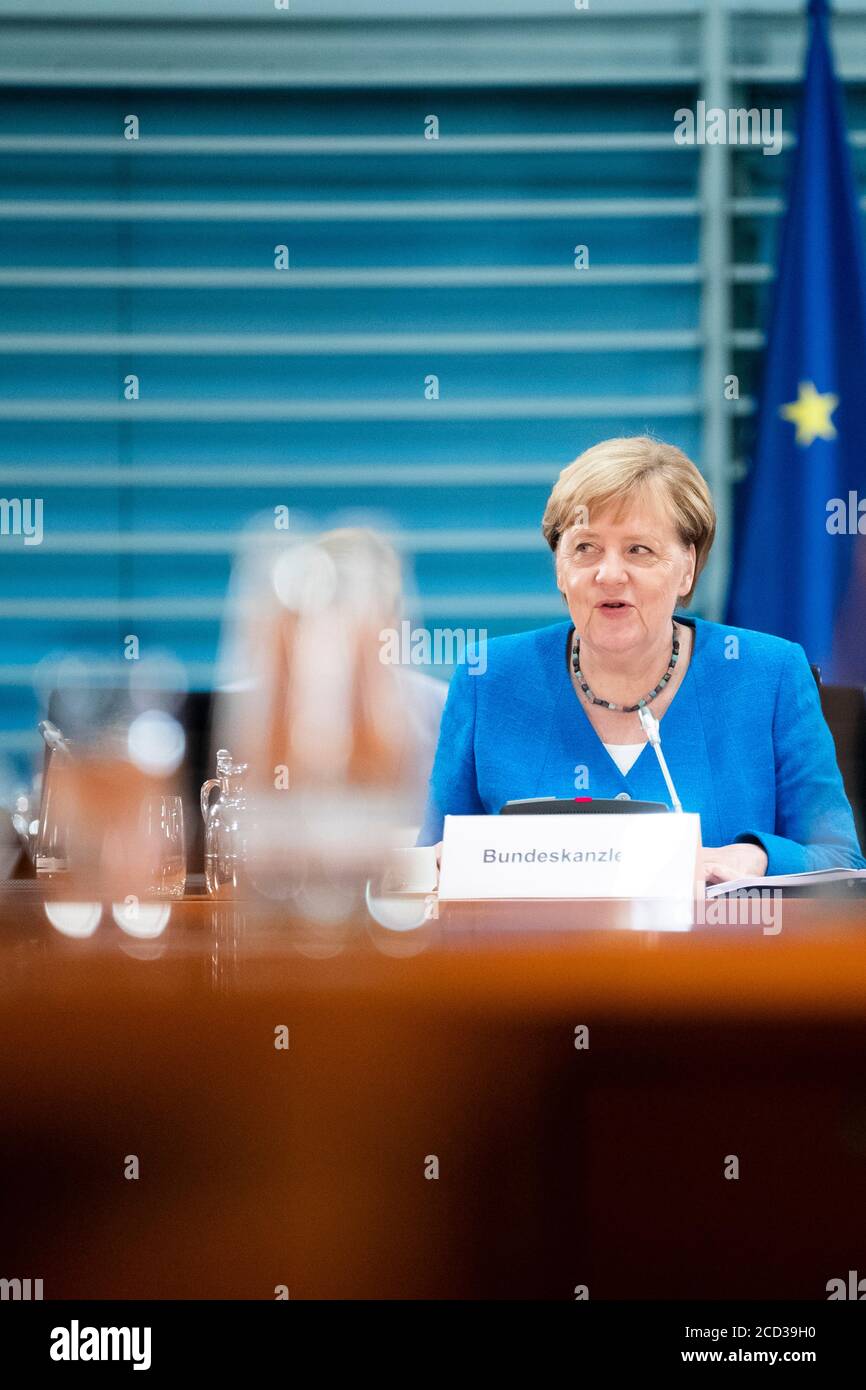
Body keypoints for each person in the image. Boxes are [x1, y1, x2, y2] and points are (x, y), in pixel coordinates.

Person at [418, 436, 866, 884]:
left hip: (717, 953)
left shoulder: (770, 675)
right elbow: (429, 864)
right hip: (536, 955)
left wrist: (755, 859)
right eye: (586, 548)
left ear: (687, 567)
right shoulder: (488, 677)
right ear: (560, 567)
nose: (610, 574)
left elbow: (841, 861)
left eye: (639, 550)